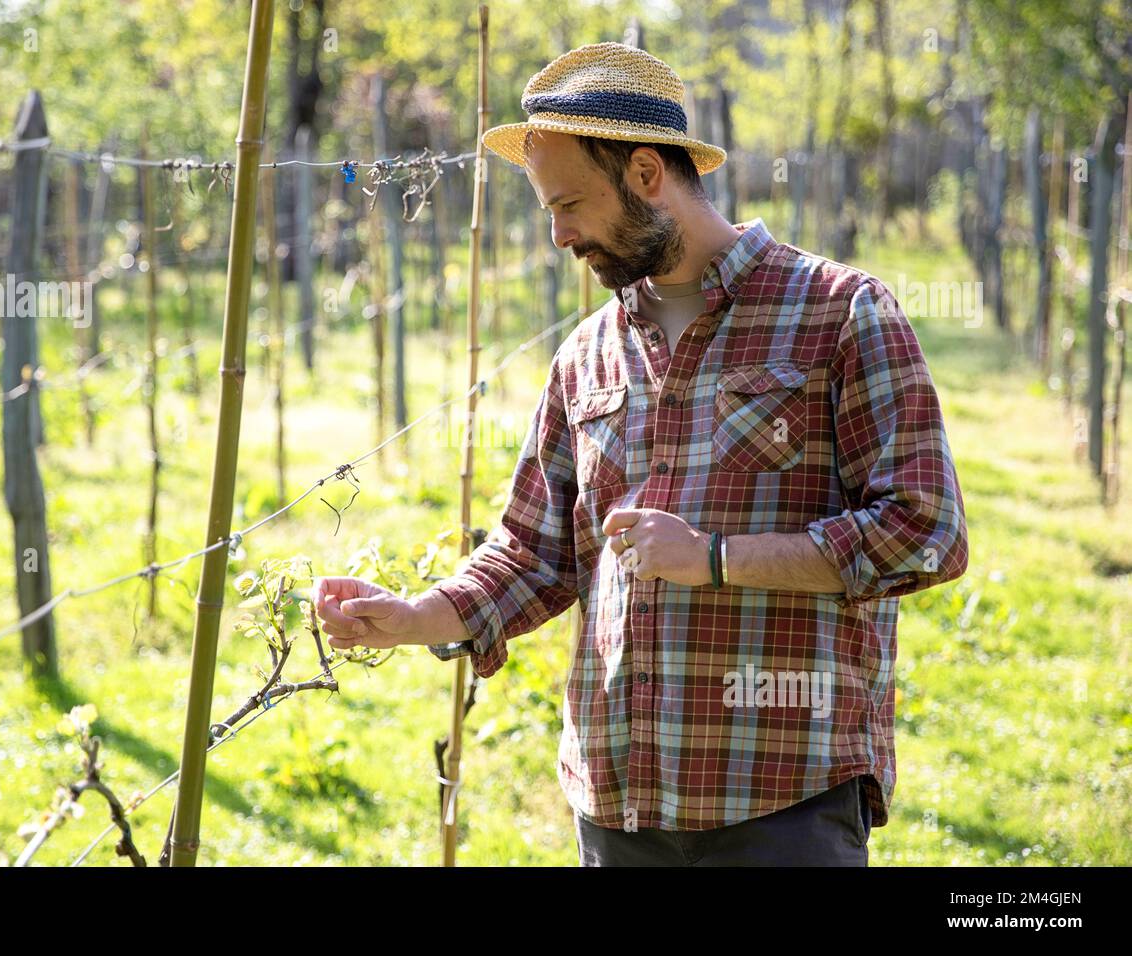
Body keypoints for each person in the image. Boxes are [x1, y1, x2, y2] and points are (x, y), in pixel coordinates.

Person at [314, 41, 969, 866]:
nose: (558, 235)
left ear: (649, 175)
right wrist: (417, 617)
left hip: (780, 800)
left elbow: (926, 531)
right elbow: (532, 552)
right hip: (617, 807)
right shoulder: (586, 355)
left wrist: (718, 558)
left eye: (571, 204)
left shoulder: (839, 315)